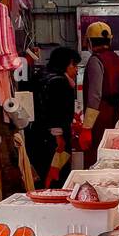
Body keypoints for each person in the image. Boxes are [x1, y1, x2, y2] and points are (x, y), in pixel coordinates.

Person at [26, 46, 82, 188]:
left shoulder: (41, 75)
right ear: (64, 64)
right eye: (74, 65)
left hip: (37, 136)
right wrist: (59, 137)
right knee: (56, 176)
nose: (76, 70)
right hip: (51, 139)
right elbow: (55, 111)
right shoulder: (59, 81)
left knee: (44, 174)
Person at [80, 22, 119, 167]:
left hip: (100, 119)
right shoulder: (118, 60)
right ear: (110, 40)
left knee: (97, 158)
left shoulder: (96, 60)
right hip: (116, 114)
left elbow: (95, 95)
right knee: (112, 155)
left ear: (89, 41)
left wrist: (87, 128)